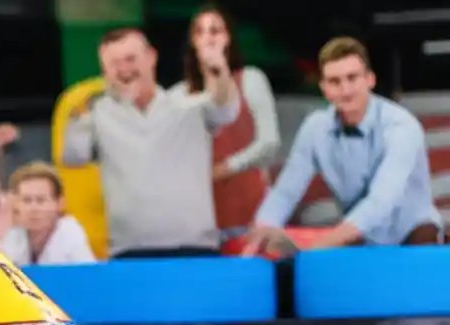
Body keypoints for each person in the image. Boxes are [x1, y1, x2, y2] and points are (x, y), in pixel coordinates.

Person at [245, 37, 444, 256]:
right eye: (335, 81)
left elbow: (382, 201)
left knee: (421, 251)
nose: (345, 89)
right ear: (323, 88)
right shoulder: (316, 127)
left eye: (352, 78)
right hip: (360, 235)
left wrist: (314, 249)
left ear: (370, 79)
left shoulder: (401, 126)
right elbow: (286, 192)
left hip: (412, 232)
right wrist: (261, 231)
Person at [61, 27, 239, 257]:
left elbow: (225, 109)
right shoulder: (97, 113)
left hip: (195, 247)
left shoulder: (186, 103)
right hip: (129, 251)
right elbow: (73, 156)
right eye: (114, 63)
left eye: (131, 59)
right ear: (104, 69)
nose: (124, 69)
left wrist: (219, 69)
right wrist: (88, 107)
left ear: (151, 57)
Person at [178, 4, 280, 243]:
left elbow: (269, 142)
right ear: (192, 41)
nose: (208, 38)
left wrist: (225, 168)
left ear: (228, 38)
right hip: (203, 225)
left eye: (215, 30)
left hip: (251, 217)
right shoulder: (179, 96)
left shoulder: (251, 80)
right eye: (200, 31)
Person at [0, 162, 96, 266]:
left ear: (59, 203)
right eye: (26, 200)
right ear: (16, 205)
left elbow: (90, 277)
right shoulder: (13, 234)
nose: (33, 208)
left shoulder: (70, 232)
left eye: (41, 200)